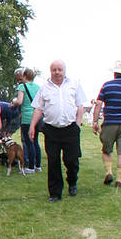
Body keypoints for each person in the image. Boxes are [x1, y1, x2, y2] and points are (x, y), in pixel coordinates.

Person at [32, 59, 86, 200]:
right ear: (50, 71)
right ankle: (55, 193)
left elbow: (80, 106)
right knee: (53, 161)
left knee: (71, 160)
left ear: (64, 71)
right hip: (51, 130)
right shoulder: (44, 88)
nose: (57, 72)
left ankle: (72, 182)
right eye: (54, 70)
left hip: (70, 129)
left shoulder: (74, 85)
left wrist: (78, 125)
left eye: (59, 69)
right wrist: (32, 126)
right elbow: (38, 109)